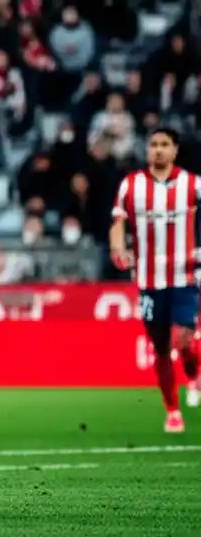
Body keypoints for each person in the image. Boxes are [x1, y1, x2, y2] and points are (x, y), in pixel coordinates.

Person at [110, 128, 200, 433]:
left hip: (183, 275)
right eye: (153, 145)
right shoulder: (131, 185)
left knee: (184, 341)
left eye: (164, 145)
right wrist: (118, 246)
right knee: (161, 348)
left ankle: (193, 372)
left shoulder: (192, 184)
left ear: (175, 150)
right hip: (149, 281)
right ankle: (172, 411)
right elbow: (118, 222)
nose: (158, 150)